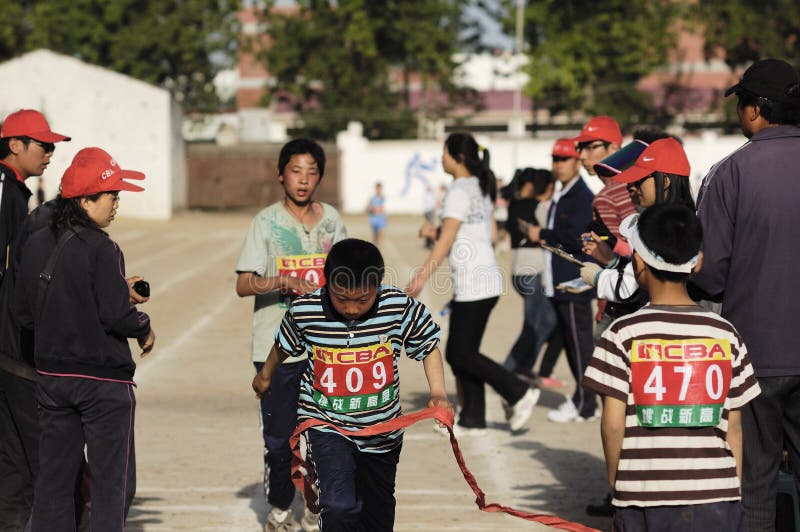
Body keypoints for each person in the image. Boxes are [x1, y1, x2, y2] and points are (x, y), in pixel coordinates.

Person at [252, 238, 452, 531]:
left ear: (378, 286)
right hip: (327, 424)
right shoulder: (306, 310)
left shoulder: (398, 306)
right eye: (342, 299)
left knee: (378, 514)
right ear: (328, 283)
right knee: (338, 505)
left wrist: (438, 392)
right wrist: (266, 374)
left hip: (381, 430)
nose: (351, 309)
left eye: (362, 300)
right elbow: (283, 345)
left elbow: (428, 346)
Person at [582, 203, 761, 531]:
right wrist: (730, 488)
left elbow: (611, 424)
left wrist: (616, 483)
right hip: (717, 499)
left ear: (637, 261)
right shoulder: (725, 333)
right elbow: (734, 426)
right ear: (698, 263)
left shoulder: (622, 334)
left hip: (643, 499)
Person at [15, 147, 155, 531]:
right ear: (86, 198)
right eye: (112, 195)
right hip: (103, 385)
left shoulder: (36, 243)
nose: (116, 205)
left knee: (55, 484)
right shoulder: (103, 247)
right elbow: (115, 315)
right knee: (113, 486)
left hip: (52, 380)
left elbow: (24, 313)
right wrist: (144, 326)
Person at [690, 58, 800, 532]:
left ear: (755, 110)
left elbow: (709, 274)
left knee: (753, 480)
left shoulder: (731, 172)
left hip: (756, 352)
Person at [235, 138, 346, 532]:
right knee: (280, 440)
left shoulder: (333, 221)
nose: (304, 180)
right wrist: (281, 280)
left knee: (324, 434)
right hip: (274, 349)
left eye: (312, 172)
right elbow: (243, 284)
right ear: (280, 174)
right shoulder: (264, 224)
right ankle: (281, 508)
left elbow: (346, 274)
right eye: (296, 171)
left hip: (325, 349)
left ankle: (316, 505)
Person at [406, 133, 539, 436]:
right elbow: (484, 234)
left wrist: (422, 275)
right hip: (484, 280)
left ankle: (519, 391)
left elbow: (450, 237)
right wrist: (438, 231)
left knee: (459, 353)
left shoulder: (457, 191)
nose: (441, 158)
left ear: (458, 157)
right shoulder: (479, 187)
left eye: (445, 153)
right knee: (464, 350)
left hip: (475, 284)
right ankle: (473, 419)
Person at [0, 109, 70, 530]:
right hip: (8, 346)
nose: (49, 153)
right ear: (15, 145)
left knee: (10, 458)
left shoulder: (15, 191)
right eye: (43, 145)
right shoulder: (5, 193)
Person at [525, 138, 597, 423]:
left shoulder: (580, 196)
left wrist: (543, 235)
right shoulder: (562, 192)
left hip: (574, 283)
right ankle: (583, 399)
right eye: (555, 159)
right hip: (560, 283)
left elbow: (576, 239)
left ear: (577, 161)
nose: (558, 165)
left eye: (563, 159)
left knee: (580, 344)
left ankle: (586, 404)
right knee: (571, 343)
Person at [501, 168, 557, 383]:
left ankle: (522, 366)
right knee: (538, 322)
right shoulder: (538, 206)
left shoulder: (513, 205)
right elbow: (549, 233)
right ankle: (510, 368)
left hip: (518, 270)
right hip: (532, 270)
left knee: (542, 321)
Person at [367, 182, 386, 248]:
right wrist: (372, 209)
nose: (379, 190)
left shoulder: (383, 198)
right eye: (378, 188)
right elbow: (367, 208)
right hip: (374, 219)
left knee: (381, 235)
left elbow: (383, 209)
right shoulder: (372, 198)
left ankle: (380, 251)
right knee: (375, 237)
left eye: (380, 188)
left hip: (381, 219)